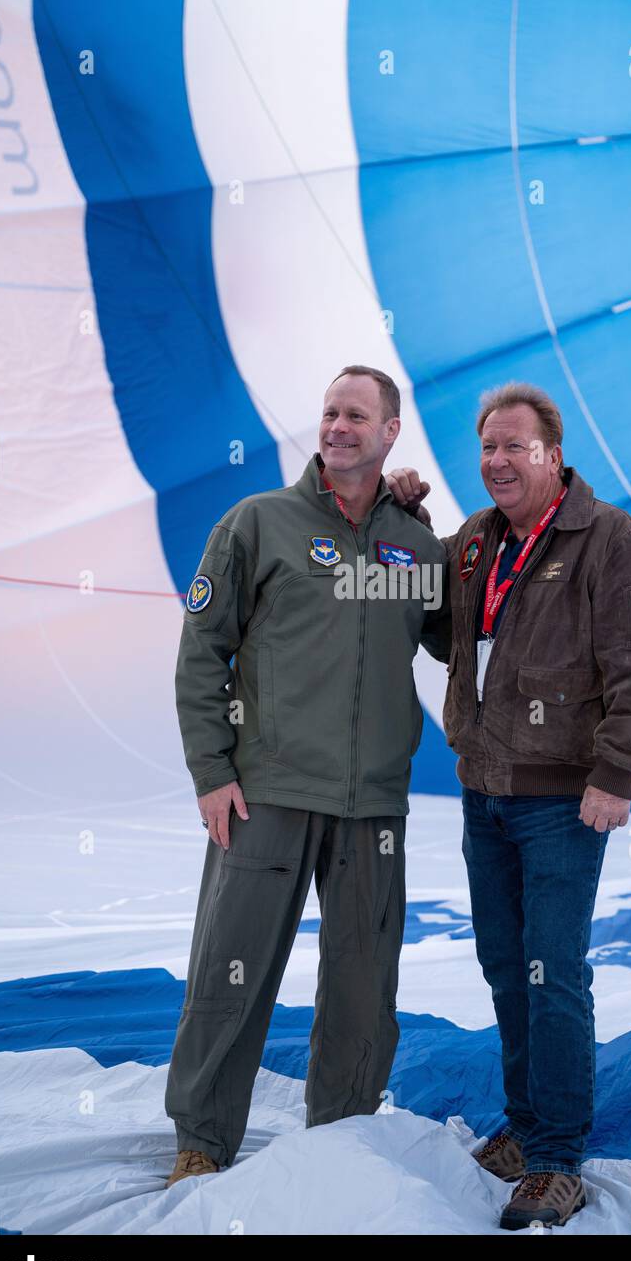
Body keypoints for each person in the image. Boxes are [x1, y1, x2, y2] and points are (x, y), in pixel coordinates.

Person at [386, 380, 631, 1229]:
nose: (497, 462)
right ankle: (523, 1125)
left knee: (554, 975)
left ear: (553, 453)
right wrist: (408, 518)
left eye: (514, 446)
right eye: (486, 448)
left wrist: (616, 773)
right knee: (507, 967)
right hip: (487, 794)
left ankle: (557, 1159)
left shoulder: (609, 540)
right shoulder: (476, 540)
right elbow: (433, 618)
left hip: (563, 802)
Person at [164, 364, 450, 1187]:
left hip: (374, 804)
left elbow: (453, 635)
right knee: (233, 968)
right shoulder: (258, 522)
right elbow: (201, 652)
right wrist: (212, 770)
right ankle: (202, 1140)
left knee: (365, 983)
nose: (338, 426)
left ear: (390, 432)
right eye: (330, 412)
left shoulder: (413, 544)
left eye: (357, 415)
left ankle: (345, 1135)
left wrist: (428, 524)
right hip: (268, 792)